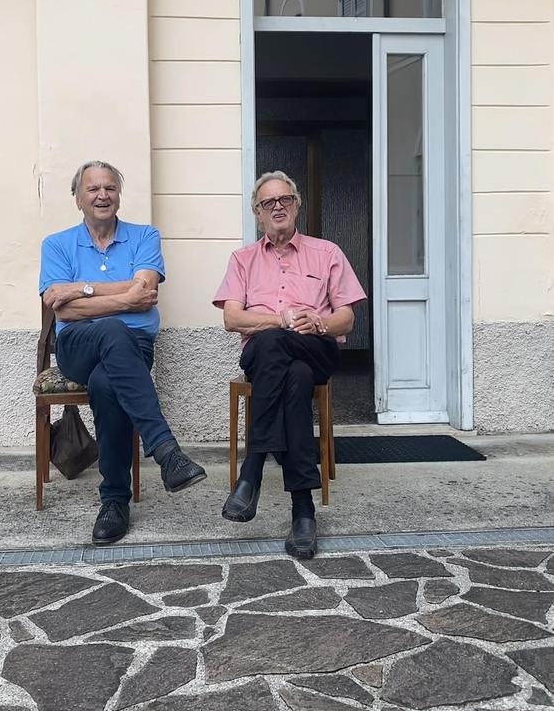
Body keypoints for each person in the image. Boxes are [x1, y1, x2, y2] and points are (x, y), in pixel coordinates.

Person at [39, 160, 206, 545]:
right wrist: (121, 296)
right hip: (77, 345)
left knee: (106, 382)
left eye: (110, 188)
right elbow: (61, 309)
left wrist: (79, 290)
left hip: (133, 348)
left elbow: (144, 293)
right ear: (78, 198)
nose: (102, 195)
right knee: (113, 327)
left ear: (119, 194)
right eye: (93, 189)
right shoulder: (57, 244)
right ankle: (166, 452)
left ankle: (114, 502)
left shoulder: (144, 236)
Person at [212, 170, 367, 559]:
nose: (277, 207)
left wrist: (319, 322)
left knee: (286, 350)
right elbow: (232, 319)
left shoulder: (327, 252)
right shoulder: (242, 259)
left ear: (296, 205)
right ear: (258, 213)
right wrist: (280, 321)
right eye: (268, 203)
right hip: (266, 357)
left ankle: (253, 469)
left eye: (284, 200)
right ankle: (303, 510)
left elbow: (346, 320)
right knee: (287, 368)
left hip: (317, 347)